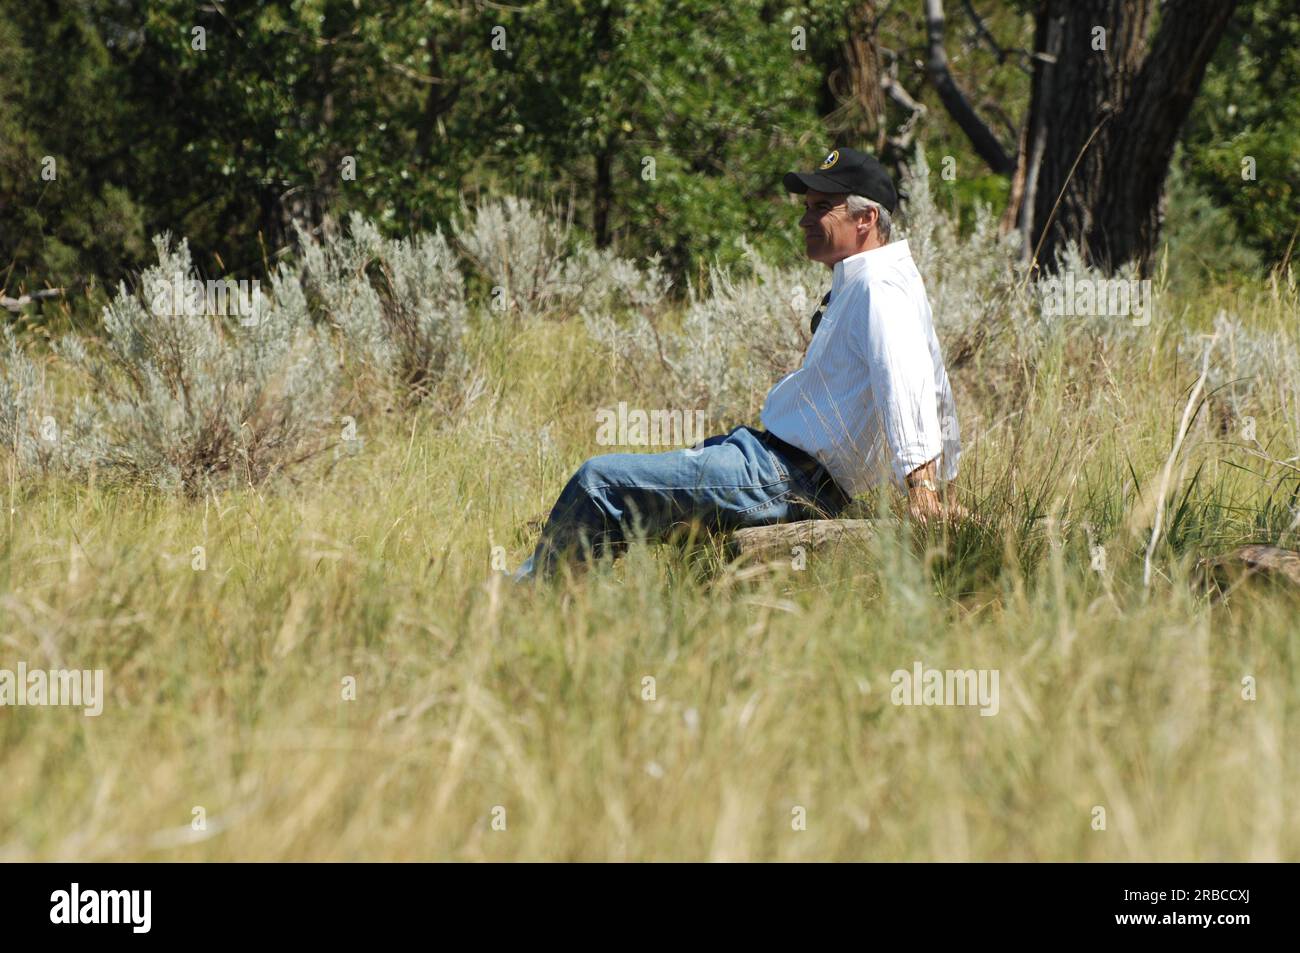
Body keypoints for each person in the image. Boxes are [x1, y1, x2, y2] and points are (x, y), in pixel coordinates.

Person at [513, 146, 962, 581]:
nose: (804, 219)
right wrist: (943, 479)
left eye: (821, 207)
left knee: (598, 483)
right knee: (625, 496)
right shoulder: (877, 280)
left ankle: (527, 605)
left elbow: (907, 379)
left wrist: (923, 488)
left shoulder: (879, 287)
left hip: (781, 479)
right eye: (805, 206)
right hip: (771, 464)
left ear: (865, 219)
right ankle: (572, 606)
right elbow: (932, 385)